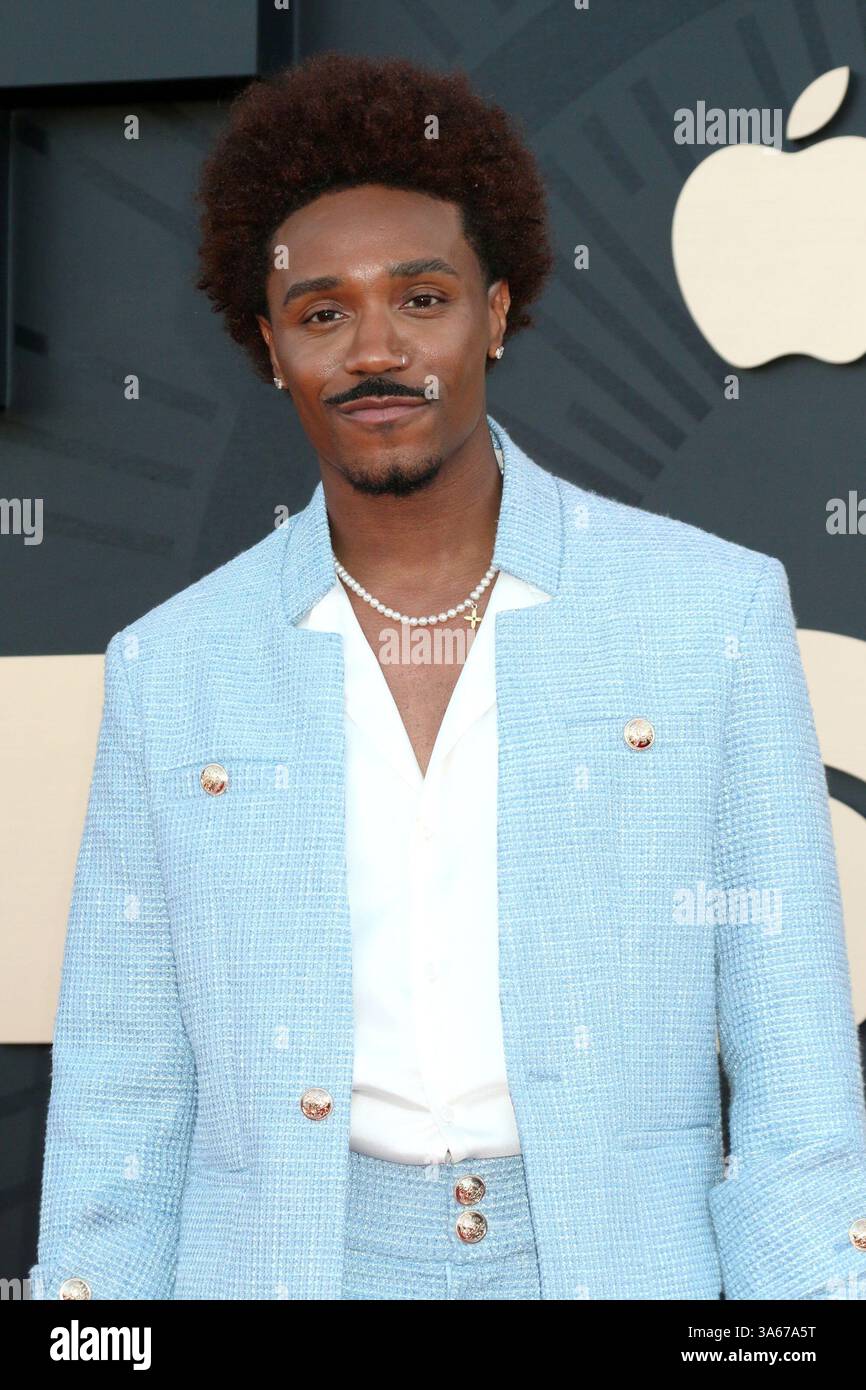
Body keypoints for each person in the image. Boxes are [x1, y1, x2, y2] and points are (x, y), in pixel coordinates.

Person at [30, 52, 866, 1301]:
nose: (375, 349)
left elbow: (795, 1075)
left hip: (618, 1268)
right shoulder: (175, 667)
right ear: (268, 348)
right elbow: (120, 1099)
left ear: (496, 307)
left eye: (418, 298)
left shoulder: (709, 617)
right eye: (321, 312)